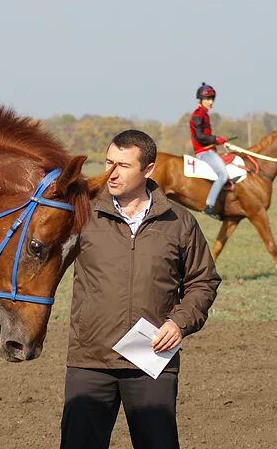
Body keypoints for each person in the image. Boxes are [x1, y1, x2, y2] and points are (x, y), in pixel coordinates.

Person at [61, 129, 221, 449]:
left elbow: (203, 281)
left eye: (123, 165)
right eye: (108, 162)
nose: (111, 172)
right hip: (90, 359)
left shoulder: (179, 221)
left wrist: (179, 323)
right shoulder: (82, 214)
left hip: (152, 360)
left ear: (148, 170)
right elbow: (38, 260)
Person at [189, 82, 229, 219]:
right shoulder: (198, 115)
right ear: (201, 100)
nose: (211, 102)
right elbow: (200, 137)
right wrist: (216, 139)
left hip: (210, 151)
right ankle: (210, 206)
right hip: (204, 152)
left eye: (212, 99)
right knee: (223, 175)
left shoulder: (205, 114)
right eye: (208, 99)